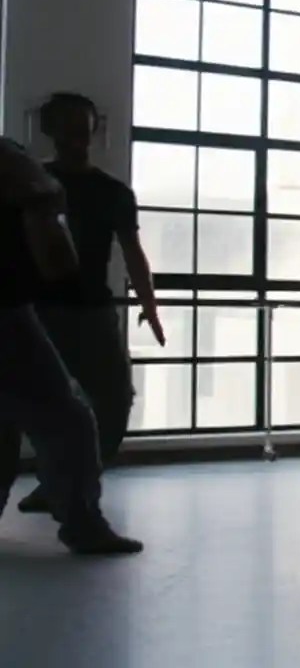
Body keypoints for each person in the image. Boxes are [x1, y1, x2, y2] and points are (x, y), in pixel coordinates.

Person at [14, 92, 164, 515]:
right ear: (50, 130)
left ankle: (67, 480)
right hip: (36, 310)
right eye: (68, 126)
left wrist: (149, 305)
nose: (77, 135)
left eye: (84, 125)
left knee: (115, 397)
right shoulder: (30, 184)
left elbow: (133, 251)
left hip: (93, 309)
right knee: (39, 403)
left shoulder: (112, 192)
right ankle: (60, 482)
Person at [0, 136, 142, 554]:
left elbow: (129, 251)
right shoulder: (20, 170)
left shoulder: (106, 189)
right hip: (9, 310)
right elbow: (58, 263)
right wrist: (45, 203)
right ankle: (82, 522)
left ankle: (77, 514)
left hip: (19, 306)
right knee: (66, 417)